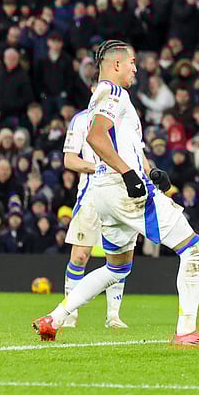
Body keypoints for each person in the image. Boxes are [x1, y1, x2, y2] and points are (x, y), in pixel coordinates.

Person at [34, 40, 199, 348]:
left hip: (104, 193)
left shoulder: (103, 98)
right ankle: (187, 333)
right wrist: (129, 173)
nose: (136, 68)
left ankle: (54, 318)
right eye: (132, 62)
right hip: (122, 189)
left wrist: (149, 171)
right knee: (194, 248)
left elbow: (127, 144)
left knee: (116, 267)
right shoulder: (114, 92)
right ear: (116, 65)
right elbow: (96, 136)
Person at [59, 105, 127, 329]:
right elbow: (70, 160)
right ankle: (70, 312)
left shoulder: (125, 116)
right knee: (79, 256)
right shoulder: (80, 120)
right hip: (89, 198)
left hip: (119, 195)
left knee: (118, 255)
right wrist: (99, 167)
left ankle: (113, 316)